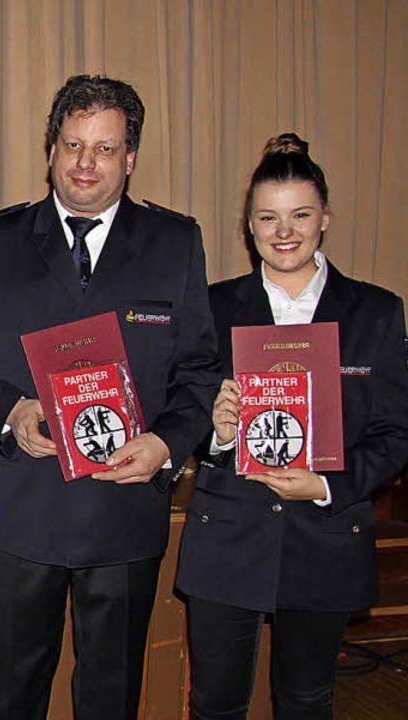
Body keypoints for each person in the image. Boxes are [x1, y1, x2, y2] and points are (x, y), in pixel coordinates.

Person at [0, 74, 221, 720]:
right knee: (9, 695)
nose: (85, 163)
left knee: (110, 697)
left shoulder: (174, 245)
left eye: (103, 148)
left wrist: (164, 444)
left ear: (130, 158)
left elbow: (200, 372)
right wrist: (8, 411)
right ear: (49, 151)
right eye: (71, 145)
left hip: (123, 514)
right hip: (23, 513)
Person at [175, 133, 408, 719]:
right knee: (215, 702)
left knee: (307, 700)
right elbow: (182, 412)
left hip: (326, 534)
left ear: (324, 217)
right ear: (248, 226)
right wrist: (219, 433)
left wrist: (327, 484)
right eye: (268, 218)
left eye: (300, 215)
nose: (284, 232)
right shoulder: (213, 305)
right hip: (228, 531)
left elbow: (395, 434)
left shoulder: (376, 312)